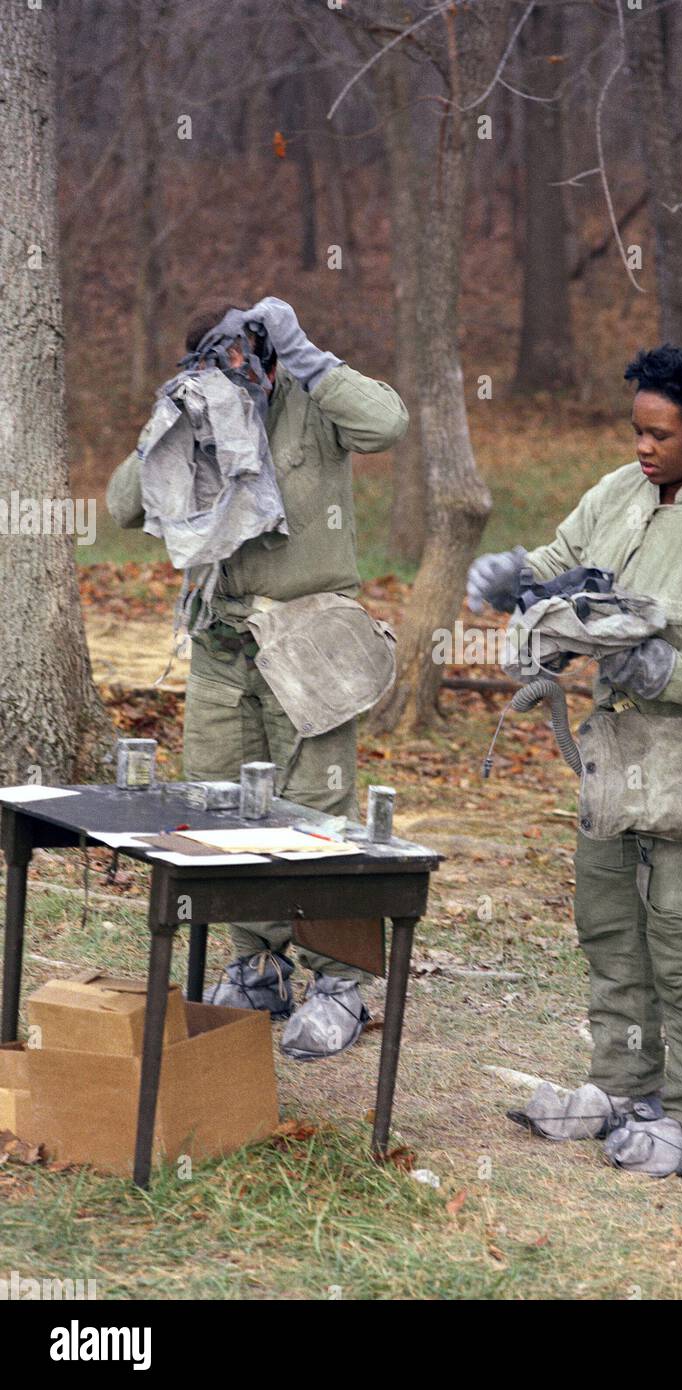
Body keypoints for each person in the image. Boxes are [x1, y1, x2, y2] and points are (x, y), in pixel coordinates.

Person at [467, 345, 682, 1174]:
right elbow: (560, 563)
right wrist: (513, 582)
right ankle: (624, 1087)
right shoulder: (618, 491)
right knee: (609, 922)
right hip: (618, 760)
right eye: (636, 430)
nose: (642, 448)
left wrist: (649, 664)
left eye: (659, 434)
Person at [106, 298, 408, 1054]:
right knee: (222, 809)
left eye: (243, 355)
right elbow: (120, 505)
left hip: (310, 641)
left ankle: (338, 980)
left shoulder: (312, 400)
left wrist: (308, 356)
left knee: (317, 814)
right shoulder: (199, 412)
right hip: (223, 643)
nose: (234, 370)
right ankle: (257, 964)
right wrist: (177, 417)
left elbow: (387, 425)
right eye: (216, 359)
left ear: (269, 353)